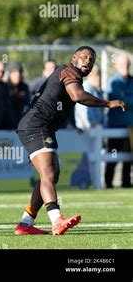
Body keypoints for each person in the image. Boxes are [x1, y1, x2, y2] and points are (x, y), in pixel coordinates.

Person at [15, 46, 125, 236]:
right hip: (36, 125)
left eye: (91, 60)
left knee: (51, 175)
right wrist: (107, 103)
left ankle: (25, 223)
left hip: (40, 126)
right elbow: (77, 96)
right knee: (49, 174)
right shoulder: (69, 71)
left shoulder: (70, 73)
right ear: (74, 57)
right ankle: (56, 220)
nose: (88, 62)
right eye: (84, 57)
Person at [106, 54, 133, 188]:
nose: (125, 67)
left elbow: (124, 100)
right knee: (113, 155)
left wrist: (126, 99)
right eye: (122, 64)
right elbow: (117, 100)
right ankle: (108, 182)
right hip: (115, 125)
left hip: (130, 126)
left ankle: (126, 182)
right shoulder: (113, 82)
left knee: (129, 156)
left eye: (127, 64)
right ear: (116, 66)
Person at [75, 65, 105, 131]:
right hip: (86, 130)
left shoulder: (98, 91)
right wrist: (91, 123)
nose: (98, 78)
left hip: (95, 129)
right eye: (95, 76)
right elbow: (83, 109)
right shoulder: (86, 88)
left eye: (99, 75)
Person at [7, 61, 30, 126]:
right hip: (7, 125)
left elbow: (27, 105)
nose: (17, 75)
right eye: (14, 72)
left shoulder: (24, 87)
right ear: (9, 74)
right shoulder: (5, 87)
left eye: (19, 72)